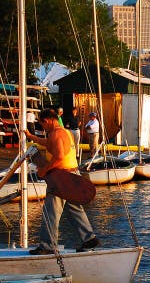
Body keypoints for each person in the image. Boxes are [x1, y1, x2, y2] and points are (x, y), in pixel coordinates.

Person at [24, 108, 99, 255]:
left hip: (62, 178)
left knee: (50, 212)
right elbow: (48, 143)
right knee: (75, 209)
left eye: (42, 125)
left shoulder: (57, 134)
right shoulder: (64, 132)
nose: (43, 128)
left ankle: (47, 246)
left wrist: (44, 170)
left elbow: (58, 156)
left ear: (46, 121)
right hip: (71, 175)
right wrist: (31, 136)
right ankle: (89, 239)